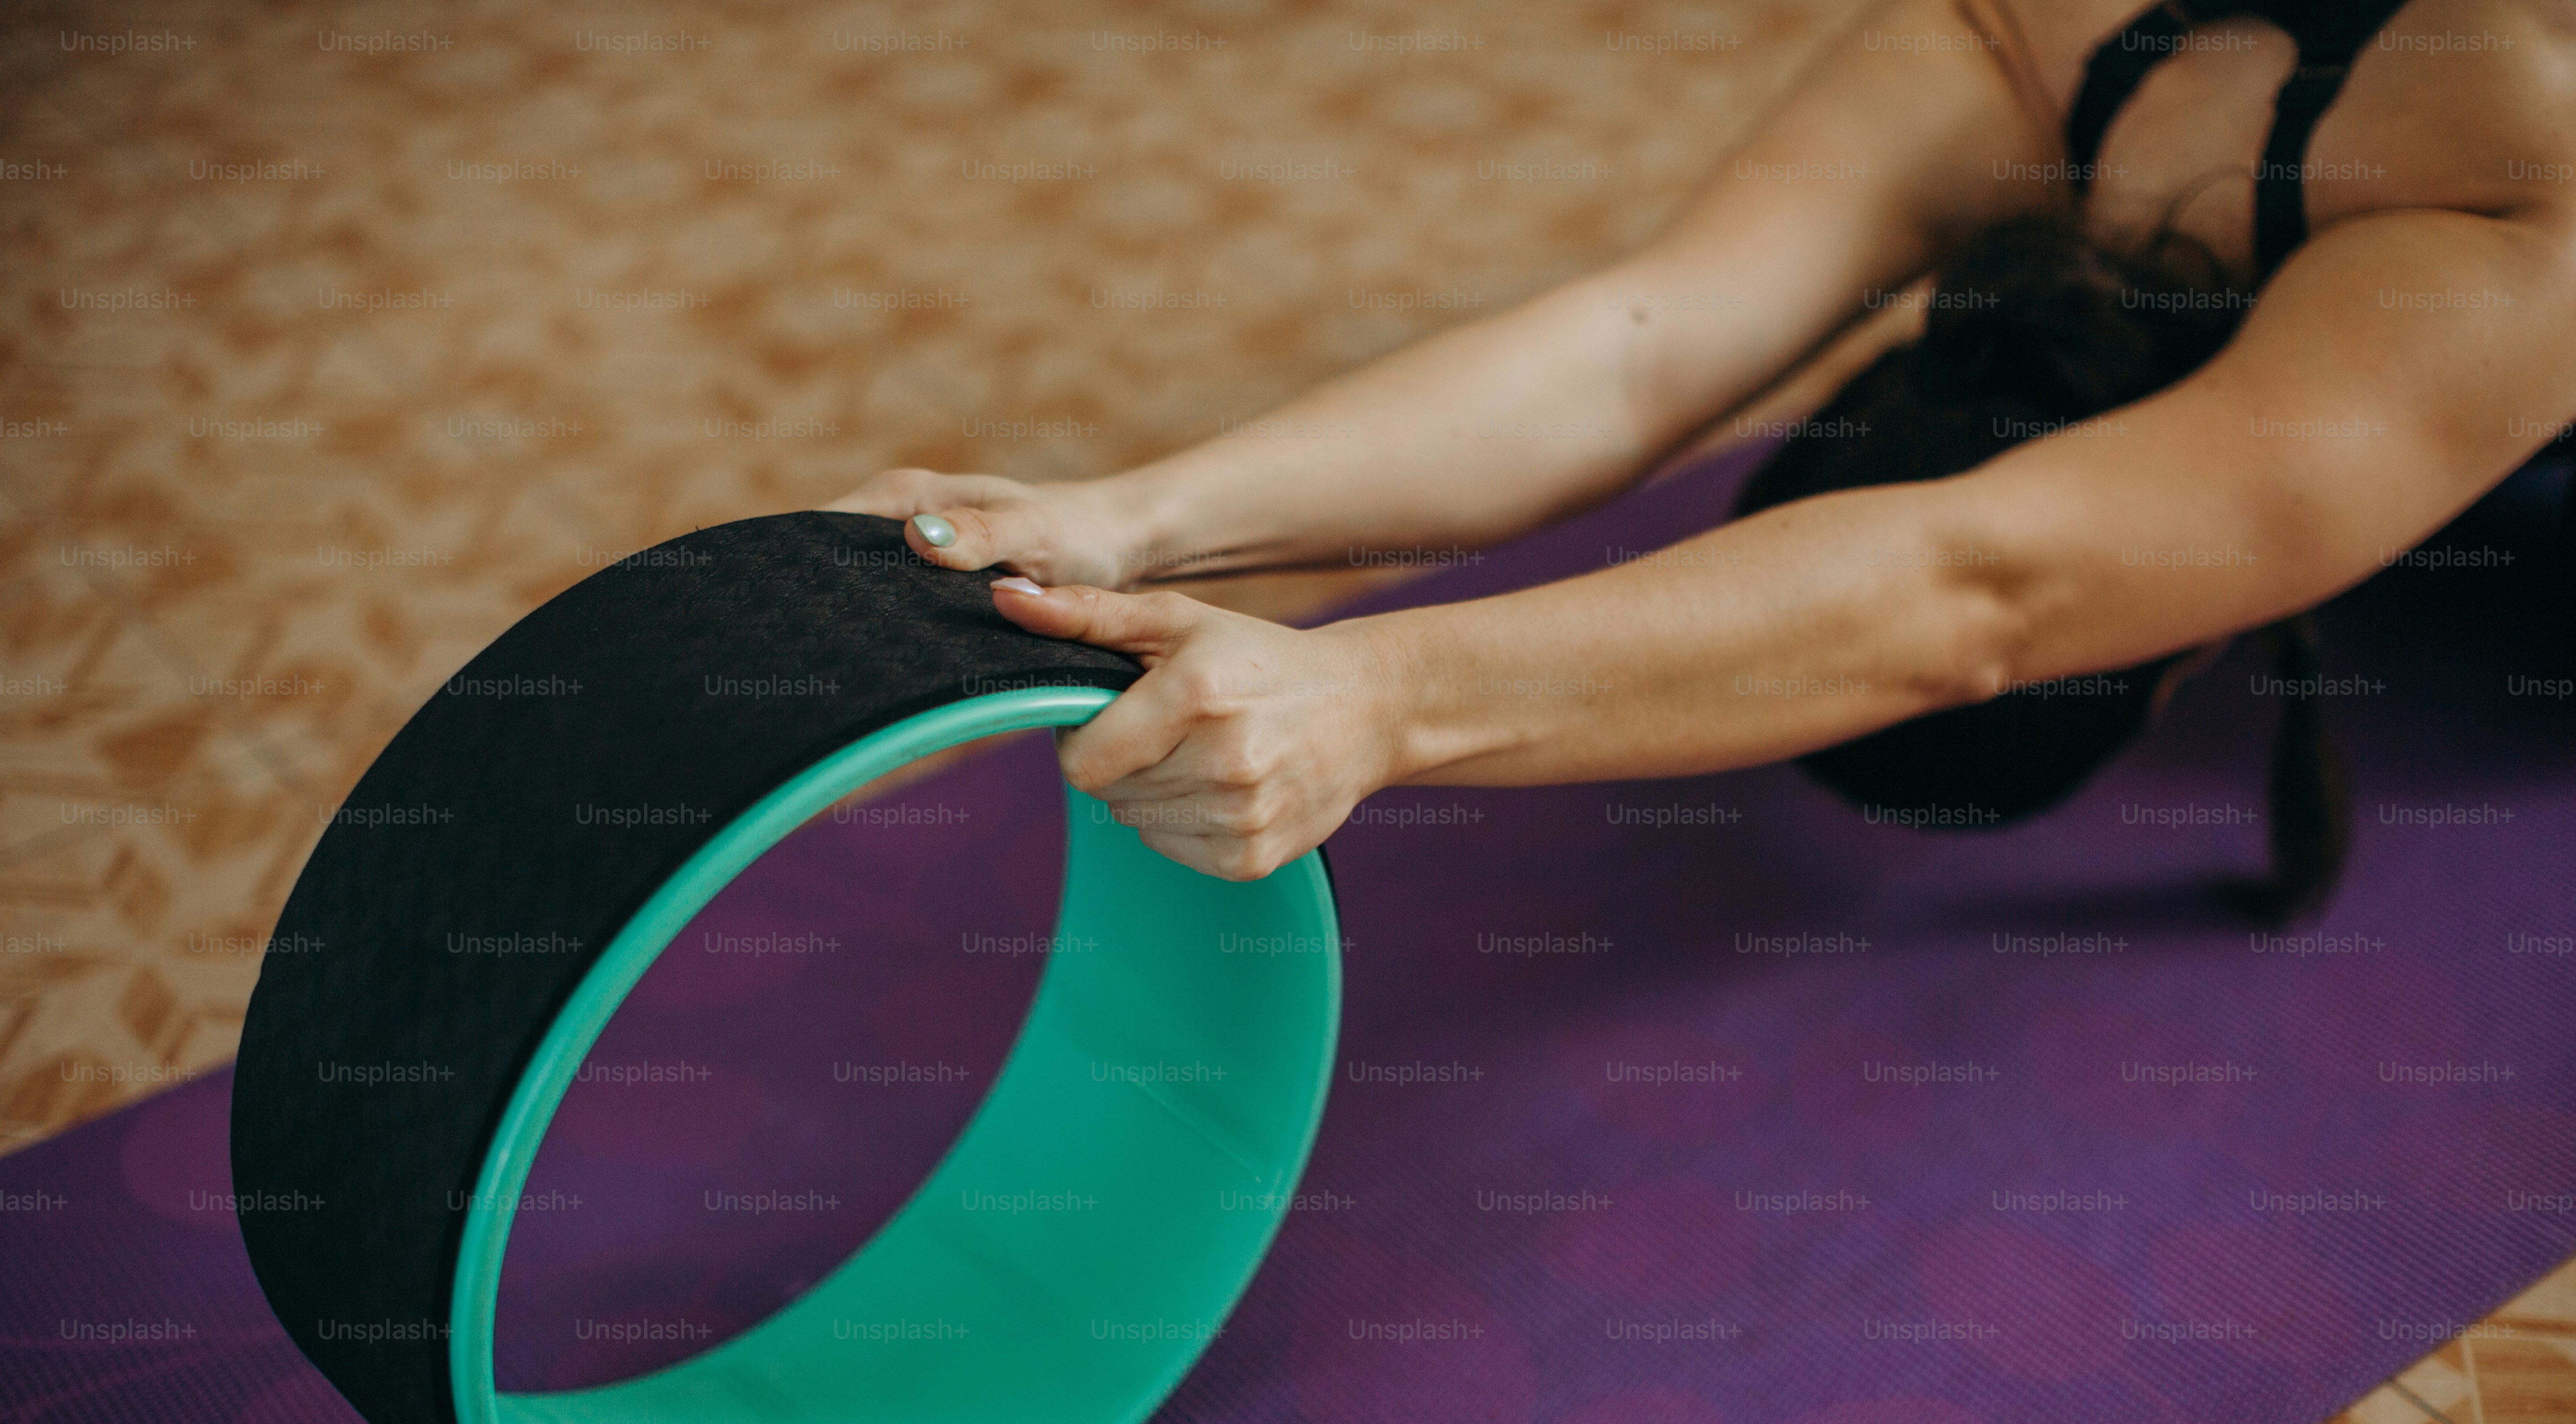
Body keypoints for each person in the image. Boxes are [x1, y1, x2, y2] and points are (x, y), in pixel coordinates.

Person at [827, 0, 2576, 916]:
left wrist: (1376, 698)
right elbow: (1639, 343)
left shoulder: (2534, 148)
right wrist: (1116, 522)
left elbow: (1981, 589)